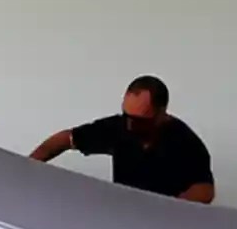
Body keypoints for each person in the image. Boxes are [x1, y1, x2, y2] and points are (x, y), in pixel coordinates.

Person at [29, 76, 215, 204]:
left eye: (140, 121)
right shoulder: (118, 127)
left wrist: (173, 206)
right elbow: (65, 139)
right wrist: (26, 166)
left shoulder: (185, 142)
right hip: (124, 218)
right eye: (127, 115)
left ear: (161, 113)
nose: (130, 126)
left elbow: (205, 190)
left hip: (164, 226)